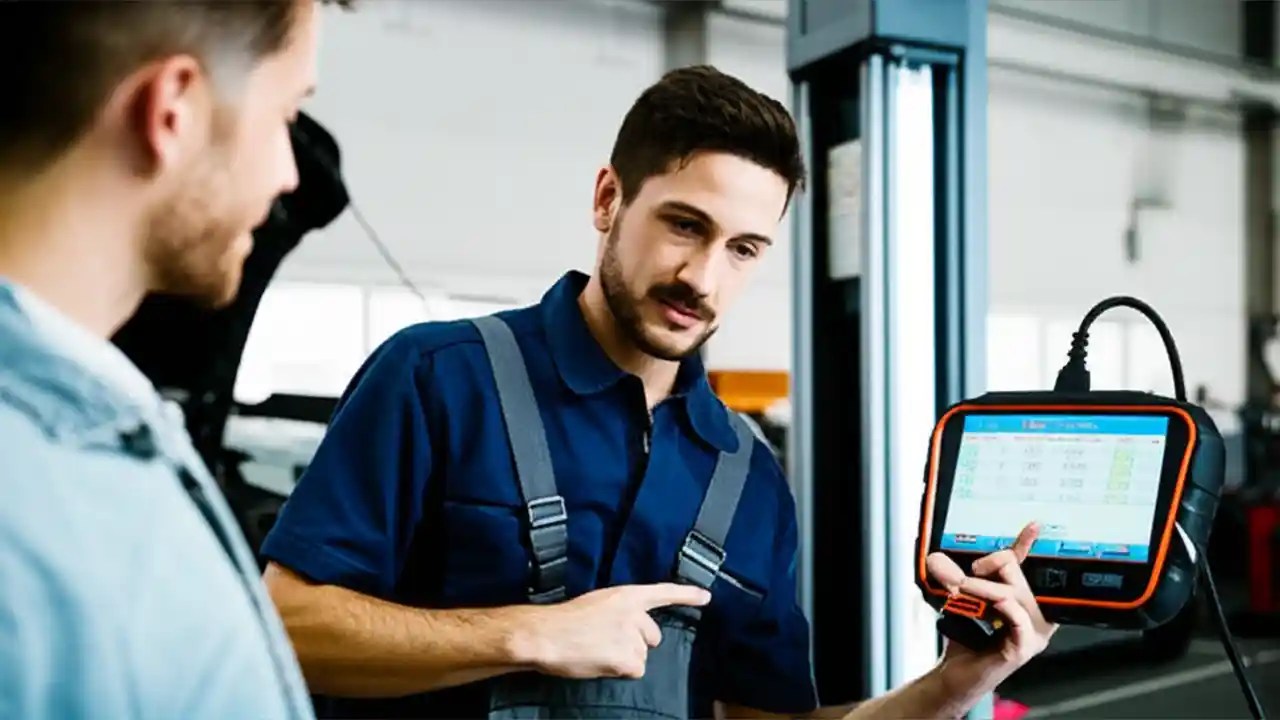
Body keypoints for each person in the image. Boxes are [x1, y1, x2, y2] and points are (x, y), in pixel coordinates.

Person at [260, 65, 1057, 719]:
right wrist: (532, 636)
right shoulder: (436, 379)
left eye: (743, 249)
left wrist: (954, 685)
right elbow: (287, 627)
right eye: (684, 225)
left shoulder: (748, 476)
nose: (703, 278)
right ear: (608, 199)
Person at [0, 1, 341, 718]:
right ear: (173, 110)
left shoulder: (94, 443)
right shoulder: (38, 518)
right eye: (285, 116)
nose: (287, 175)